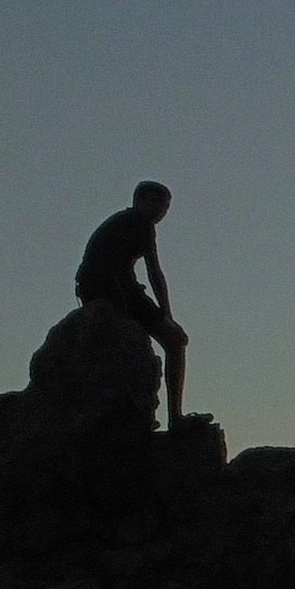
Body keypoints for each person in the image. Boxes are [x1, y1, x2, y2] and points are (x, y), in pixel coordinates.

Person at [75, 180, 188, 429]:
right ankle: (175, 418)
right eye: (158, 203)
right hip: (113, 289)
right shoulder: (140, 222)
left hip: (98, 288)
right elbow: (154, 271)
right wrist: (166, 313)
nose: (162, 212)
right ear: (141, 200)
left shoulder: (121, 221)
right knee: (176, 339)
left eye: (166, 207)